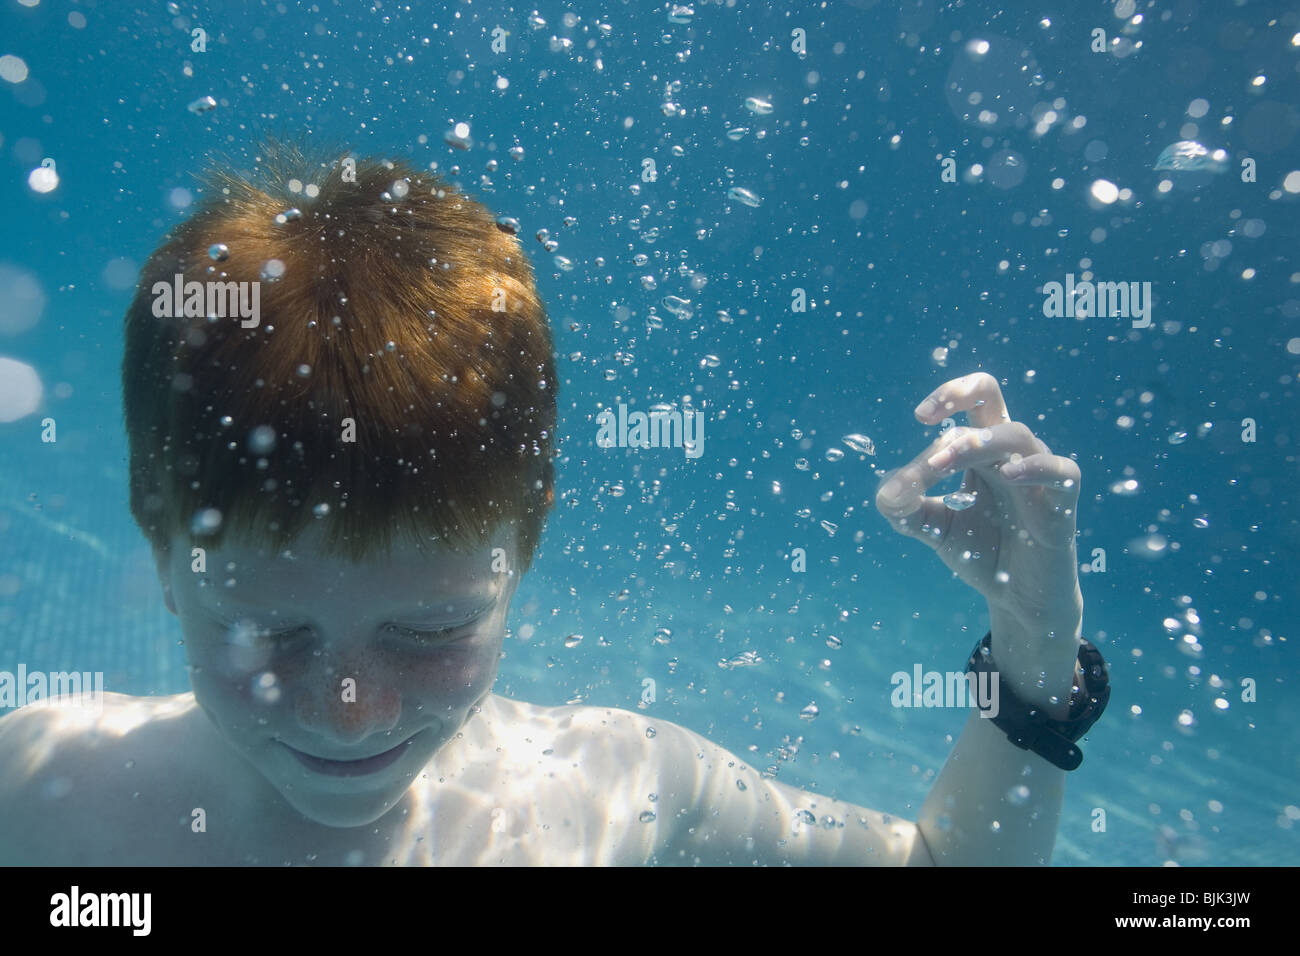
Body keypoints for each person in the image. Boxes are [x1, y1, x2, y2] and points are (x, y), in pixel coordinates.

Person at [0, 145, 1104, 865]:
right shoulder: (37, 795)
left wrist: (1034, 646)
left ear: (522, 546)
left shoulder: (617, 793)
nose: (349, 712)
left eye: (427, 631)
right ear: (158, 539)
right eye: (268, 631)